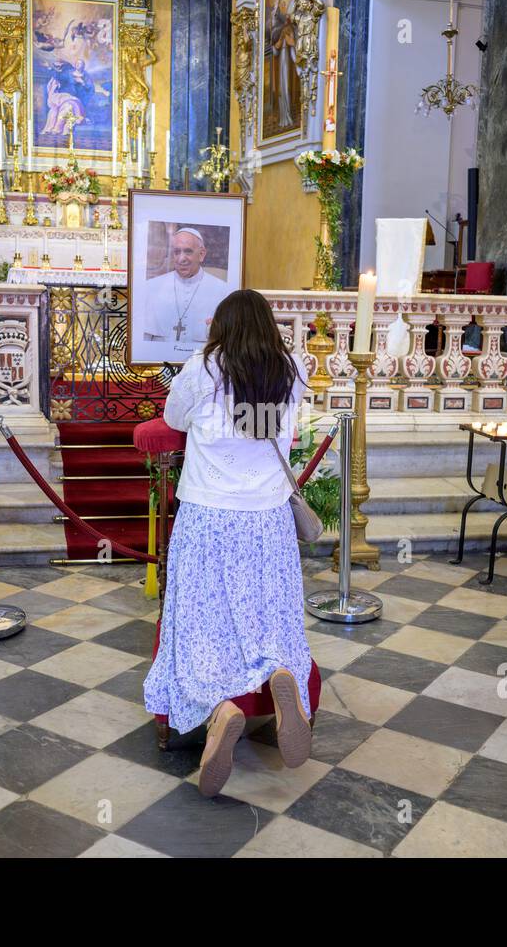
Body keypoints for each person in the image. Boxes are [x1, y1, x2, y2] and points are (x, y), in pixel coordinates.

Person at [143, 289, 313, 798]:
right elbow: (291, 428)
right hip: (267, 519)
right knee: (271, 609)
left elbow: (172, 421)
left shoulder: (203, 366)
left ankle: (220, 710)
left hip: (208, 516)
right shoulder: (290, 368)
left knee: (197, 617)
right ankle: (281, 671)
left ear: (221, 325)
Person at [140, 228, 232, 353]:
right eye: (177, 252)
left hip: (203, 368)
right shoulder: (151, 287)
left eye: (188, 251)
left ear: (201, 254)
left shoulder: (223, 291)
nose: (181, 259)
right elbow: (143, 343)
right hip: (160, 367)